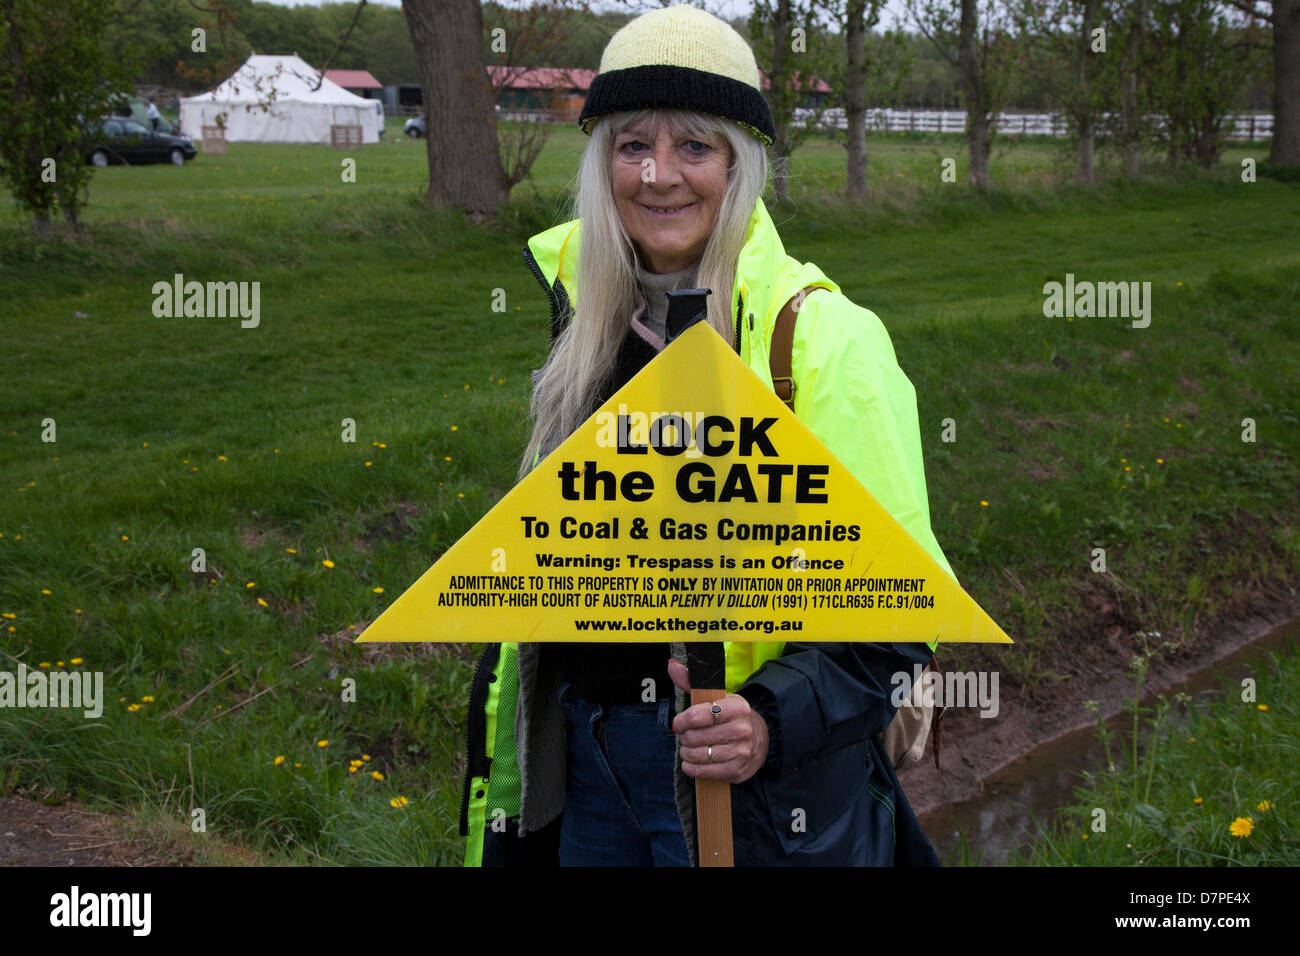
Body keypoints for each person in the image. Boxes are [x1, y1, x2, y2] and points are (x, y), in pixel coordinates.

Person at [459, 4, 954, 867]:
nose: (658, 176)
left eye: (693, 145)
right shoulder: (585, 312)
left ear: (739, 162)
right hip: (588, 757)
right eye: (630, 144)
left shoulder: (829, 340)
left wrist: (767, 718)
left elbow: (897, 607)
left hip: (752, 790)